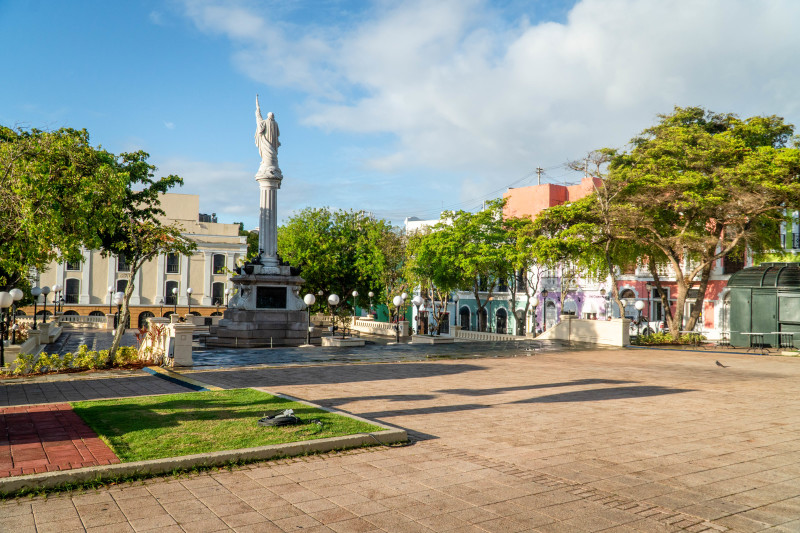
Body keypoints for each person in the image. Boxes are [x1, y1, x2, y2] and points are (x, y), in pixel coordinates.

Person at [255, 95, 280, 174]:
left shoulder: (266, 122)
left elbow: (260, 127)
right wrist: (258, 109)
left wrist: (258, 112)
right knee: (270, 154)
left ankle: (267, 163)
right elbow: (278, 134)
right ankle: (267, 163)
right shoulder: (275, 123)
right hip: (271, 143)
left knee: (269, 153)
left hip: (267, 142)